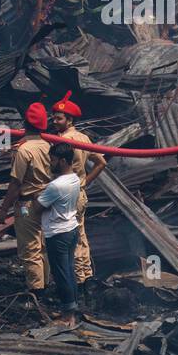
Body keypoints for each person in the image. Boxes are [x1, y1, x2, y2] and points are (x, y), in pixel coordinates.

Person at [51, 91, 106, 298]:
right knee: (81, 236)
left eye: (59, 118)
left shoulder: (61, 143)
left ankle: (75, 282)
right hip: (79, 193)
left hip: (65, 195)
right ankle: (86, 278)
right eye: (54, 117)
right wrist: (85, 182)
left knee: (68, 238)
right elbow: (101, 162)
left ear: (70, 119)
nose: (54, 121)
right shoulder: (83, 138)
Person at [0, 102, 55, 291]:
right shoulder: (48, 145)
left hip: (28, 205)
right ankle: (45, 285)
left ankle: (35, 292)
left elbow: (15, 184)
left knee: (30, 249)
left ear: (25, 124)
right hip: (47, 201)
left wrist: (3, 209)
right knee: (44, 247)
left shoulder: (24, 150)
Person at [28, 143, 83, 324]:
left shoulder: (56, 186)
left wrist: (35, 195)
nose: (50, 163)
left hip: (58, 234)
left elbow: (37, 208)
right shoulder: (74, 178)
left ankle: (68, 317)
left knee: (61, 274)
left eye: (53, 160)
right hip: (71, 229)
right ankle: (71, 309)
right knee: (69, 271)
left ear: (63, 161)